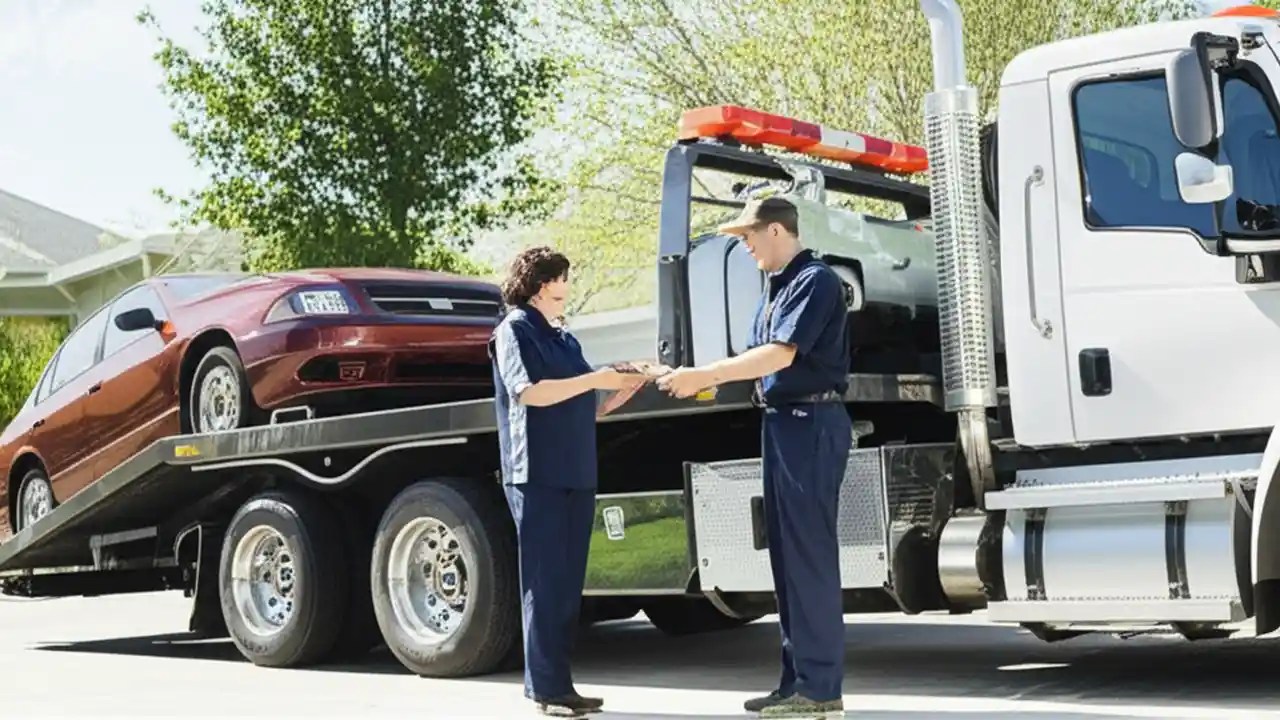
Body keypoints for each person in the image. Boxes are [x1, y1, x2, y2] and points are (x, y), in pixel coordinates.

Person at [657, 196, 852, 719]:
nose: (743, 247)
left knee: (807, 559)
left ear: (775, 231)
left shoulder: (815, 280)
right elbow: (758, 362)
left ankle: (819, 690)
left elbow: (779, 354)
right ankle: (797, 684)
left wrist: (706, 374)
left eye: (747, 237)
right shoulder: (777, 287)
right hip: (784, 424)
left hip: (810, 424)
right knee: (787, 559)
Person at [490, 246, 650, 717]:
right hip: (536, 473)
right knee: (543, 581)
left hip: (575, 472)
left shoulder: (563, 337)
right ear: (540, 285)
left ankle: (560, 686)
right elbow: (529, 393)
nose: (567, 289)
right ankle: (545, 689)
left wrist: (621, 385)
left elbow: (589, 405)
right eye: (562, 280)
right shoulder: (514, 330)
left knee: (564, 585)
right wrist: (594, 378)